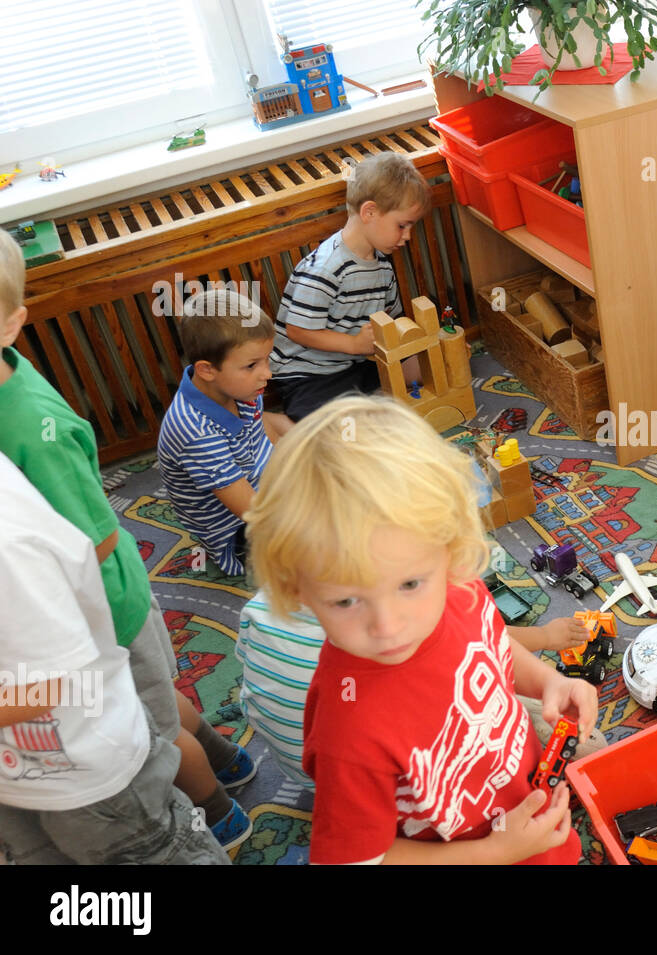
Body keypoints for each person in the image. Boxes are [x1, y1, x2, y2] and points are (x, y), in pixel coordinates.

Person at [244, 395, 598, 864]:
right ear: (298, 591)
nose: (388, 626)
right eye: (346, 600)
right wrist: (496, 851)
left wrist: (549, 681)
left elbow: (490, 648)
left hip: (522, 804)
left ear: (449, 551)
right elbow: (358, 860)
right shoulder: (349, 729)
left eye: (410, 583)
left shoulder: (460, 590)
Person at [0, 231, 254, 850]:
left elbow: (99, 546)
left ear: (11, 324)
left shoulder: (38, 431)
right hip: (85, 619)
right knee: (159, 703)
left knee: (153, 738)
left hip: (103, 616)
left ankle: (220, 814)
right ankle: (229, 761)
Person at [0, 453, 229, 864]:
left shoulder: (9, 545)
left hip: (91, 780)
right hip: (26, 779)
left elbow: (46, 688)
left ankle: (222, 806)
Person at [235, 584, 598, 789]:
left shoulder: (261, 606)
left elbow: (483, 635)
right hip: (402, 803)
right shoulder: (386, 646)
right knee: (590, 748)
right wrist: (495, 851)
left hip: (311, 772)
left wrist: (550, 680)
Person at [271, 152, 428, 421]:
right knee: (331, 425)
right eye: (402, 226)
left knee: (428, 368)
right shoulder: (326, 268)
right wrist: (354, 344)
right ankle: (278, 426)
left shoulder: (383, 267)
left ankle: (366, 401)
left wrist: (426, 348)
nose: (407, 237)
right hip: (310, 374)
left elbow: (392, 319)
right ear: (369, 212)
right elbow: (297, 330)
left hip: (356, 364)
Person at [157, 287, 288, 578]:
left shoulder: (241, 388)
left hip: (255, 480)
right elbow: (253, 513)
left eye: (267, 359)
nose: (267, 373)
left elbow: (258, 441)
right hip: (236, 525)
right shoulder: (194, 431)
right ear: (207, 370)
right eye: (253, 365)